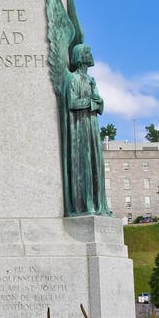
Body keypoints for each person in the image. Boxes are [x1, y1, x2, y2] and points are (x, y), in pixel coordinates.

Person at [62, 44, 110, 216]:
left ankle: (99, 205)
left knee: (95, 163)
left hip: (91, 125)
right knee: (84, 164)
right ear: (81, 57)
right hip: (80, 127)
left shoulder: (91, 80)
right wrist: (92, 102)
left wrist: (95, 102)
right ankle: (85, 204)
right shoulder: (74, 79)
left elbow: (100, 104)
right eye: (88, 52)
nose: (91, 55)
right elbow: (73, 102)